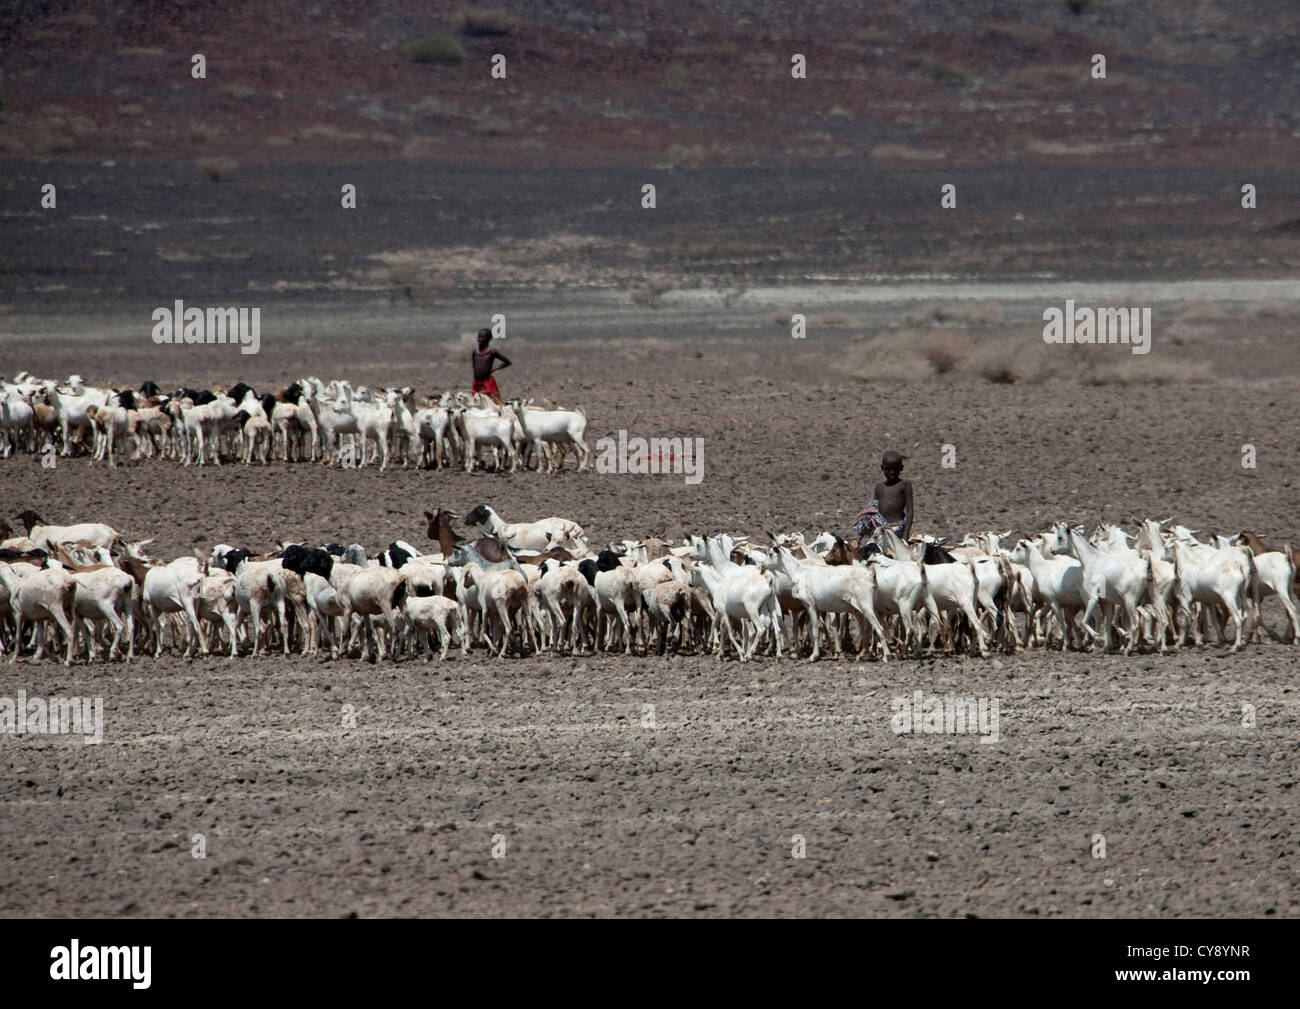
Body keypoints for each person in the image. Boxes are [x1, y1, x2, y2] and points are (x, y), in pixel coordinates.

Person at [854, 449, 913, 539]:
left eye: (895, 469)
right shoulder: (879, 487)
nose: (891, 472)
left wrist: (905, 535)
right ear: (882, 468)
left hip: (897, 528)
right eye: (888, 469)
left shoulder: (905, 485)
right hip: (880, 529)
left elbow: (910, 512)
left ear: (901, 468)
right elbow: (873, 511)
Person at [471, 328, 511, 402]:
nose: (479, 339)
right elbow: (474, 366)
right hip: (476, 383)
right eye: (479, 337)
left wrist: (494, 369)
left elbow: (507, 362)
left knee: (493, 403)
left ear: (488, 339)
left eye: (482, 337)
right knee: (476, 403)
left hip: (487, 383)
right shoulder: (475, 352)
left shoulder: (492, 352)